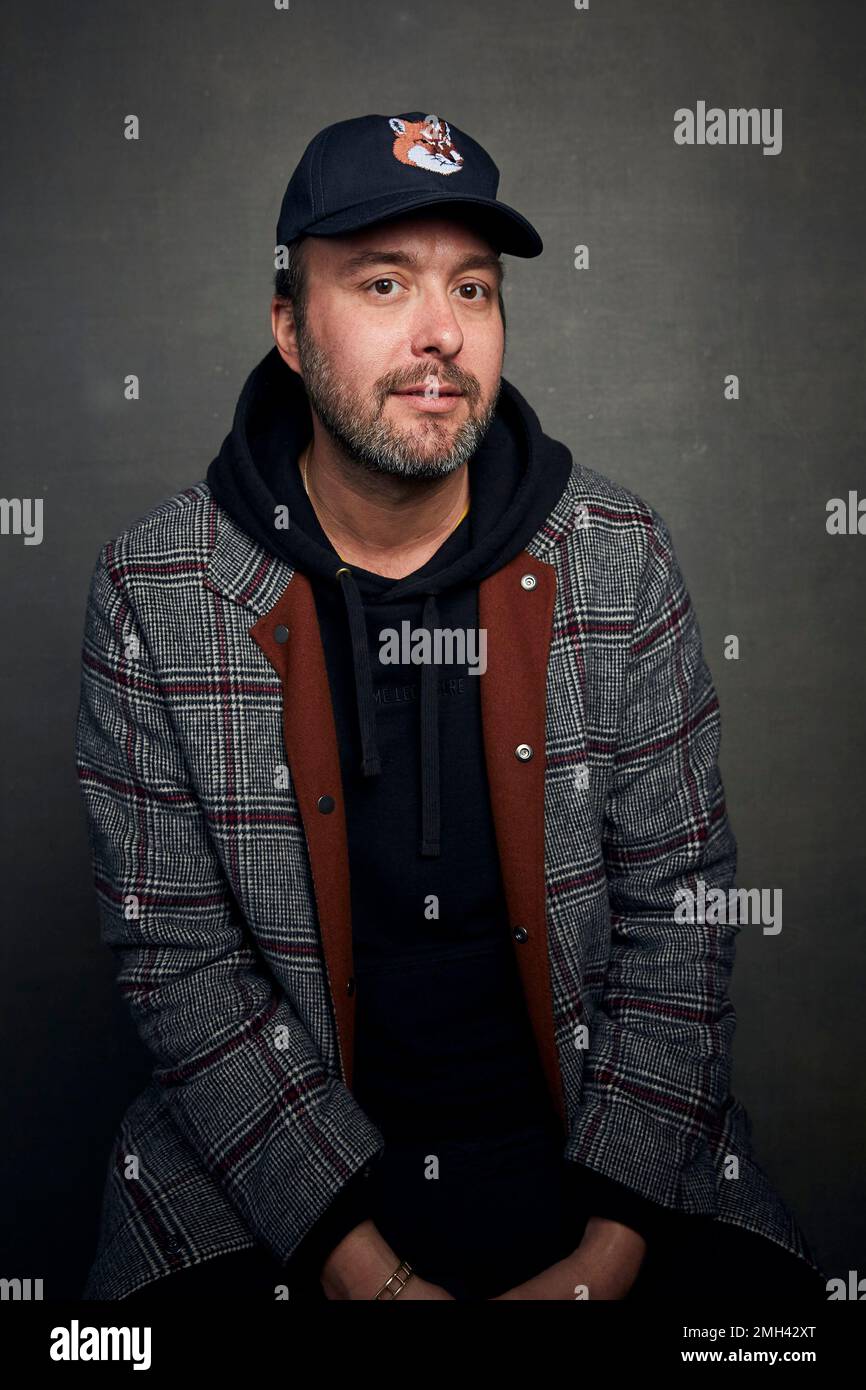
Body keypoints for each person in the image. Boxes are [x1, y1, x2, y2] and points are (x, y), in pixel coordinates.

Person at [75, 111, 826, 1302]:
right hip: (269, 1177)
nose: (439, 334)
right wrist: (362, 1273)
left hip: (588, 1154)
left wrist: (606, 1256)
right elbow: (179, 968)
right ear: (286, 325)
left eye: (471, 290)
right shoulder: (157, 588)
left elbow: (681, 921)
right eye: (383, 282)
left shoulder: (615, 557)